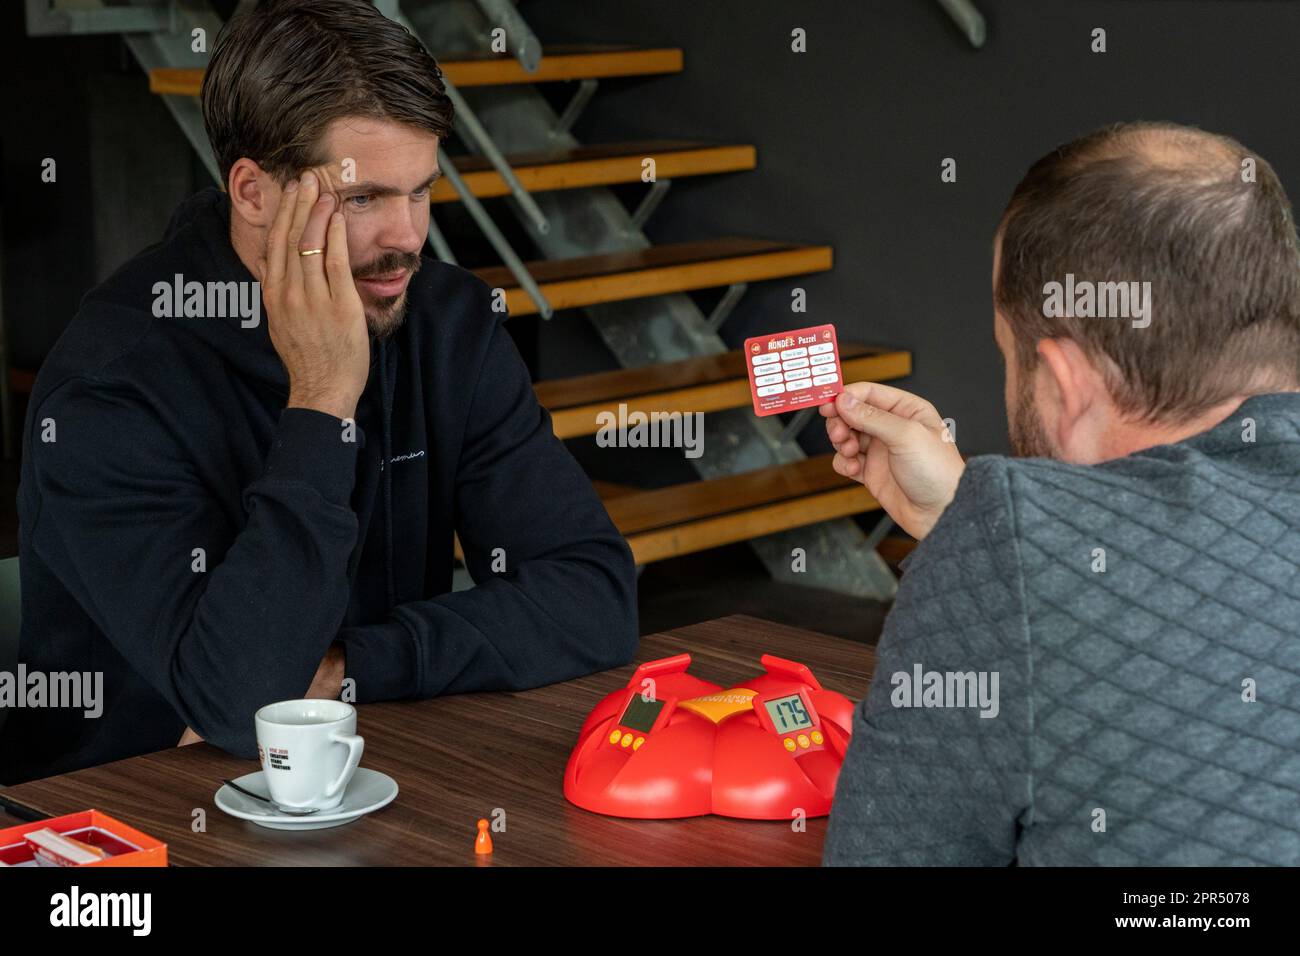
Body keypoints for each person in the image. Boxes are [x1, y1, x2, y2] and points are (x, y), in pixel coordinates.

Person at [0, 0, 637, 784]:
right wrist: (324, 397)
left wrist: (348, 665)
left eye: (420, 191)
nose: (407, 237)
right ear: (254, 192)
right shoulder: (112, 387)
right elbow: (244, 706)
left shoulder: (449, 324)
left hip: (375, 781)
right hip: (134, 817)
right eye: (363, 197)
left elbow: (597, 599)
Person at [822, 121, 1300, 865]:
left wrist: (991, 541)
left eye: (1009, 355)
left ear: (1067, 384)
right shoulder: (1010, 538)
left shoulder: (1008, 536)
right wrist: (964, 521)